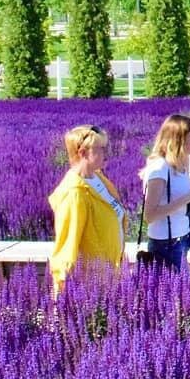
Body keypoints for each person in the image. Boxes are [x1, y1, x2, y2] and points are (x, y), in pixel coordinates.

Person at [48, 125, 127, 292]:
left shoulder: (98, 178)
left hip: (110, 274)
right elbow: (67, 244)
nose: (108, 152)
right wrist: (62, 292)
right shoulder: (75, 193)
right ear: (83, 153)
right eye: (102, 148)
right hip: (90, 284)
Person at [140, 114, 190, 272]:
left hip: (181, 238)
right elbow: (149, 215)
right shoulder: (159, 168)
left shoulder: (180, 165)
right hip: (166, 244)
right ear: (178, 140)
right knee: (171, 294)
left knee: (181, 293)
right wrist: (189, 198)